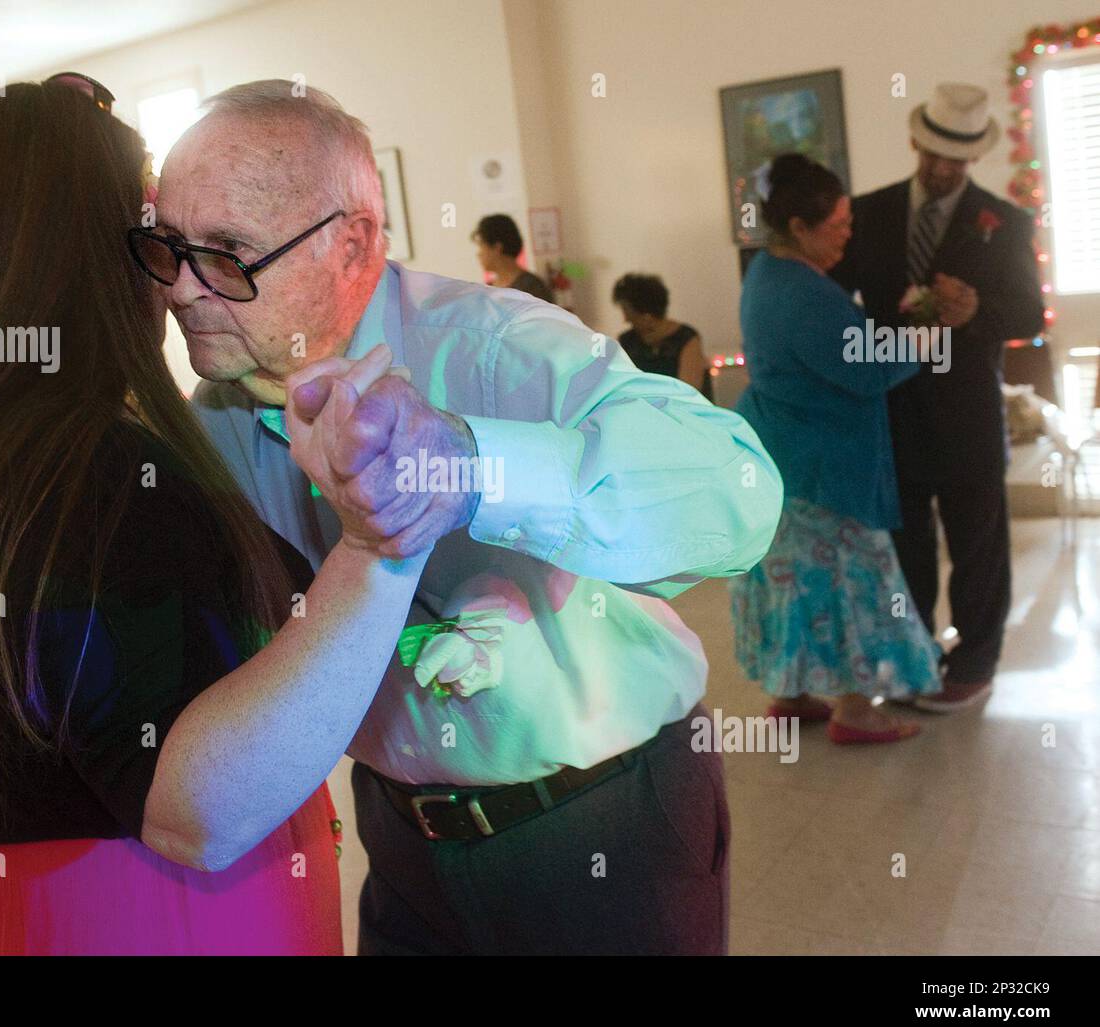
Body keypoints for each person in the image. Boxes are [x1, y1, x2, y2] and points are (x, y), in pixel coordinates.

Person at [142, 80, 784, 955]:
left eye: (227, 254)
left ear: (351, 245)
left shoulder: (491, 346)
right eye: (166, 247)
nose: (181, 290)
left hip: (599, 820)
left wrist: (470, 467)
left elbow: (740, 495)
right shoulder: (208, 419)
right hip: (400, 838)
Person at [0, 76, 430, 956]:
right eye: (160, 238)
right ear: (98, 252)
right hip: (162, 920)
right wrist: (378, 540)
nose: (187, 280)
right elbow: (197, 812)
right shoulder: (97, 475)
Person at [831, 83, 1044, 712]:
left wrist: (977, 309)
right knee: (906, 546)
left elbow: (1029, 312)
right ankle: (913, 652)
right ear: (915, 141)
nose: (945, 169)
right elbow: (828, 293)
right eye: (934, 155)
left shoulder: (1005, 222)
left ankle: (975, 662)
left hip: (969, 415)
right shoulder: (867, 213)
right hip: (890, 412)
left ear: (974, 158)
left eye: (958, 160)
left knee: (979, 545)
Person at [730, 153, 942, 744]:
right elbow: (866, 370)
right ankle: (855, 708)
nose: (850, 232)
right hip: (821, 468)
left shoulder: (766, 273)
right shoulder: (803, 292)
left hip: (782, 455)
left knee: (792, 582)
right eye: (839, 224)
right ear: (799, 227)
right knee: (855, 583)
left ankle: (791, 692)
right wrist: (927, 338)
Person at [613, 273, 712, 399]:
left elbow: (689, 392)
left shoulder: (686, 339)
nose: (625, 319)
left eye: (627, 311)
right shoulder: (627, 341)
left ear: (646, 316)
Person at [471, 213, 553, 302]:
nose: (478, 254)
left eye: (481, 247)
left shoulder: (532, 288)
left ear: (497, 248)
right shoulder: (488, 289)